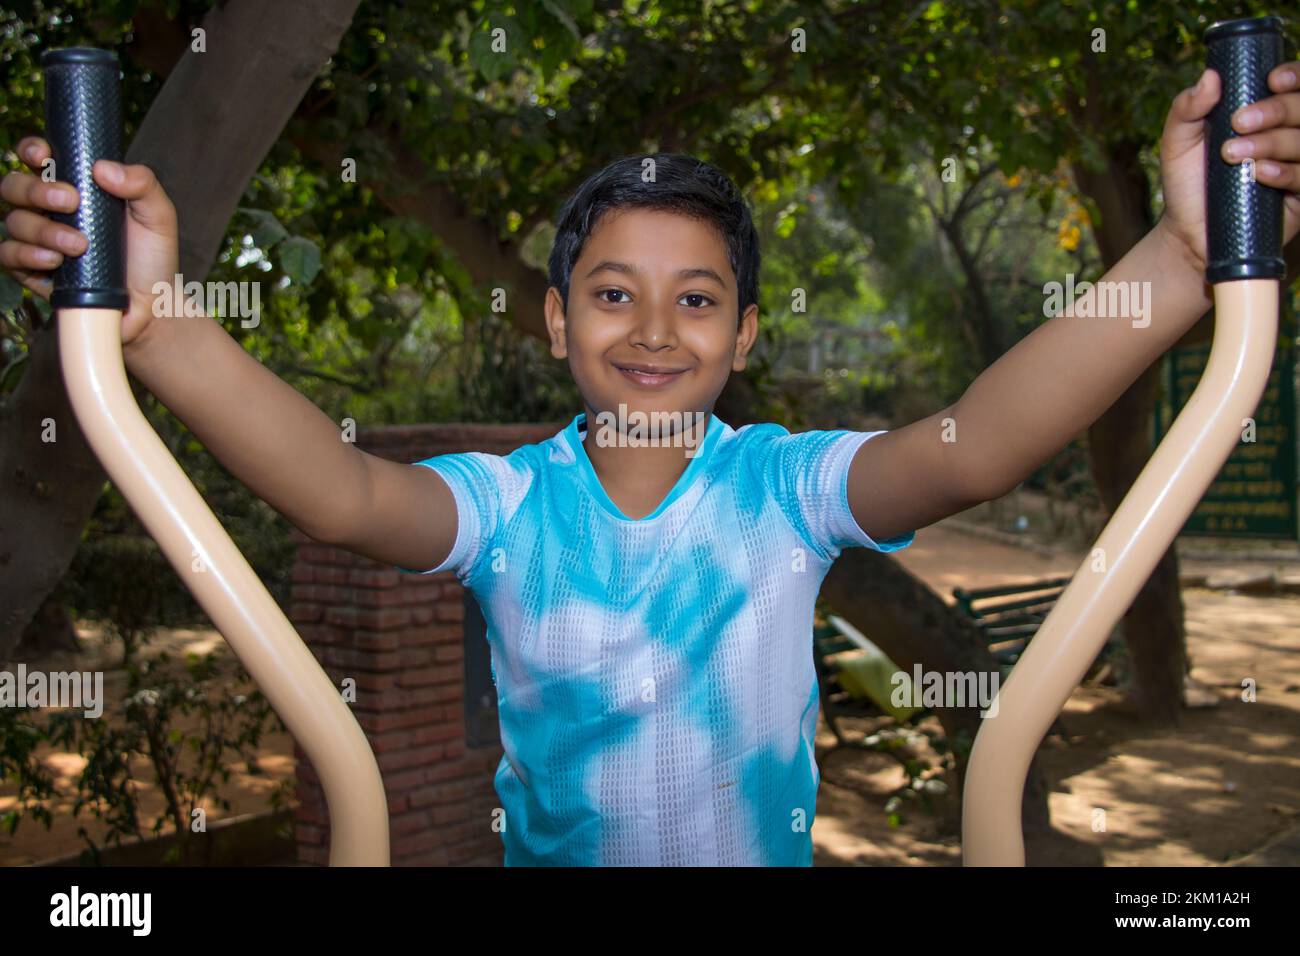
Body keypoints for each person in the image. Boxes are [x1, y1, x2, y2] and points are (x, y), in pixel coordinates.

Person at [4, 63, 1299, 866]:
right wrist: (162, 319)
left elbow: (975, 449)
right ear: (558, 320)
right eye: (613, 294)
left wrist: (1182, 262)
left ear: (742, 336)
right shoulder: (507, 507)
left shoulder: (784, 493)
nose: (654, 328)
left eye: (697, 301)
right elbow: (341, 493)